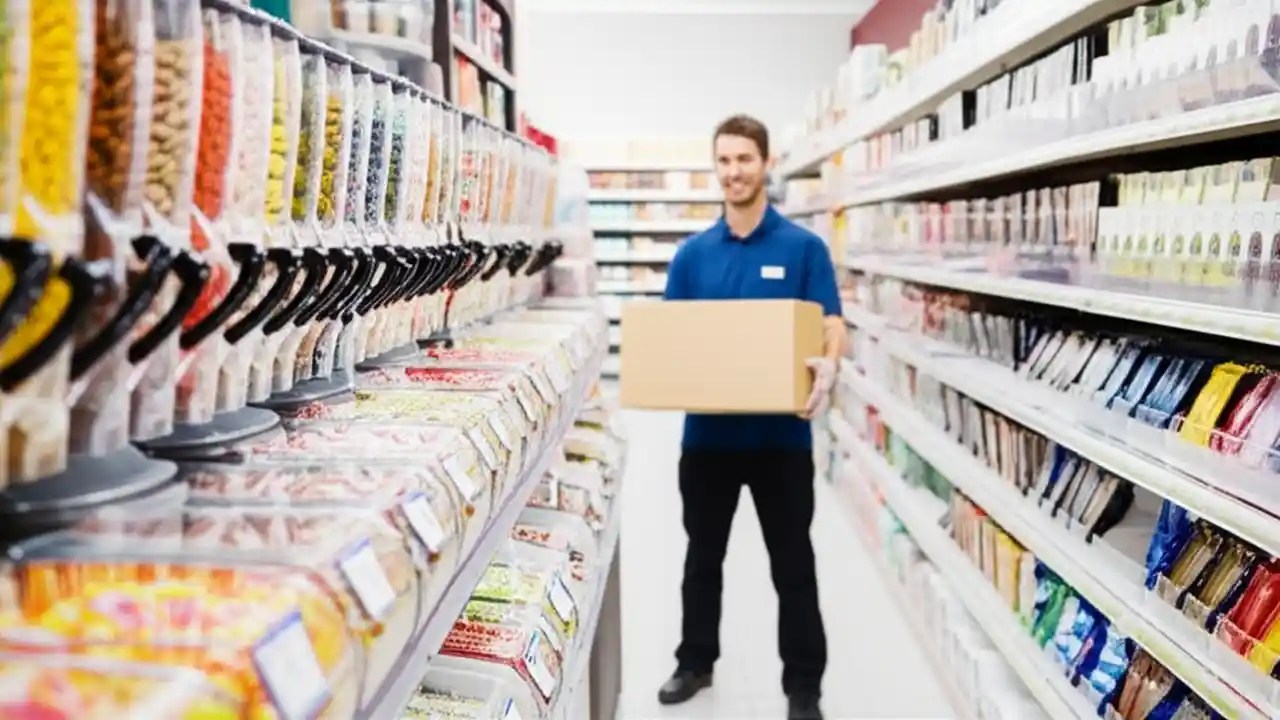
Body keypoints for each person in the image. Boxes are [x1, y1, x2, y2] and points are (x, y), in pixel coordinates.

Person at [656, 114, 845, 720]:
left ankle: (804, 687)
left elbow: (831, 322)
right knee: (701, 557)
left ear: (766, 163)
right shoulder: (691, 256)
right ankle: (694, 662)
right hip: (707, 438)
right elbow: (672, 339)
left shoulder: (803, 248)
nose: (733, 171)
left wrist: (830, 363)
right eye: (724, 160)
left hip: (780, 439)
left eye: (744, 159)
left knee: (793, 564)